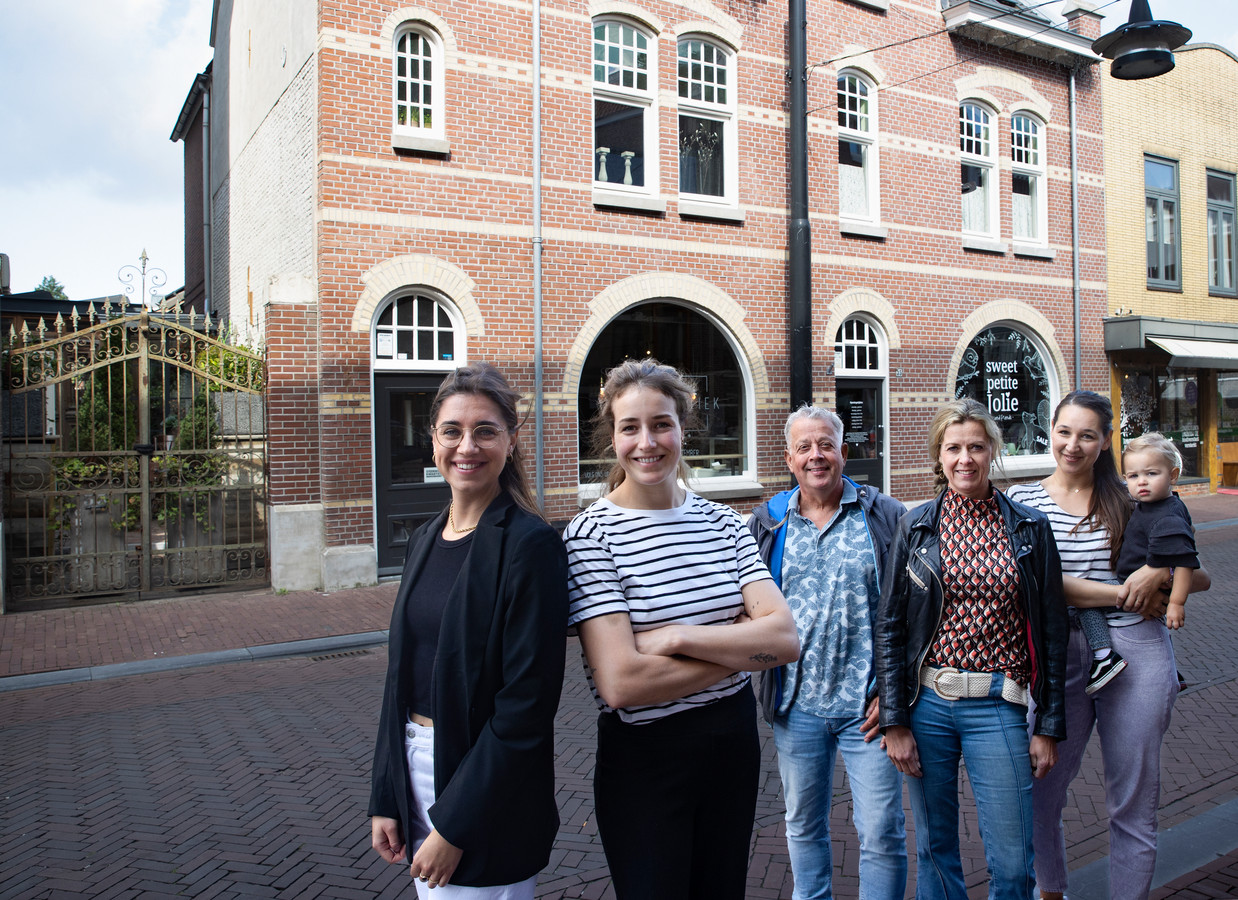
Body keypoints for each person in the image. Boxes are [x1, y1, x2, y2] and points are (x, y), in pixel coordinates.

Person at [563, 358, 800, 900]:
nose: (647, 441)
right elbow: (623, 685)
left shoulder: (723, 523)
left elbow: (784, 640)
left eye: (661, 424)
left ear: (683, 429)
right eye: (630, 427)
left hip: (731, 745)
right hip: (644, 757)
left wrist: (675, 638)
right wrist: (739, 647)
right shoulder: (590, 535)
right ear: (613, 438)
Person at [369, 363, 569, 898]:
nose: (467, 446)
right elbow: (400, 677)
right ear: (433, 439)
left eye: (485, 430)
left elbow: (525, 707)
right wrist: (386, 795)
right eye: (452, 430)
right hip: (416, 764)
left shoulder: (530, 546)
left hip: (483, 783)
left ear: (511, 440)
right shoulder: (425, 538)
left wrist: (455, 823)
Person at [1007, 391, 1210, 900]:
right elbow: (1038, 581)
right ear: (1049, 431)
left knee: (1133, 799)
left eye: (1087, 435)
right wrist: (1126, 590)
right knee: (1039, 793)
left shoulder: (1135, 494)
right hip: (1057, 654)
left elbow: (1197, 574)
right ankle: (1050, 891)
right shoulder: (1023, 502)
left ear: (1105, 441)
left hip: (1135, 647)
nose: (1072, 445)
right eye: (1064, 432)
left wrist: (1159, 569)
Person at [875, 398, 1067, 900]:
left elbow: (1051, 628)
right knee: (936, 850)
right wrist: (895, 721)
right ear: (939, 455)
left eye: (976, 447)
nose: (965, 458)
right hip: (928, 705)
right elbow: (890, 624)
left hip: (998, 704)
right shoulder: (915, 526)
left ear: (992, 453)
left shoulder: (1028, 527)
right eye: (953, 447)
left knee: (1011, 858)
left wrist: (1047, 726)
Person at [748, 405, 907, 900]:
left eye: (826, 445)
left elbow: (912, 610)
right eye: (804, 447)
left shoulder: (885, 515)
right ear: (790, 459)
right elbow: (747, 607)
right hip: (796, 706)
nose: (816, 456)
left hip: (869, 709)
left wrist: (896, 692)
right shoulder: (768, 522)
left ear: (844, 451)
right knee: (802, 825)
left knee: (881, 832)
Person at [1072, 431, 1202, 692]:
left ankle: (1103, 657)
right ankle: (1171, 670)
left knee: (1086, 602)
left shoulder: (1166, 517)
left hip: (1130, 585)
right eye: (1133, 476)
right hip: (1134, 581)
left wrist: (1176, 603)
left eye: (1152, 474)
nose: (1142, 482)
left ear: (1173, 476)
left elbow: (1186, 562)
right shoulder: (1156, 505)